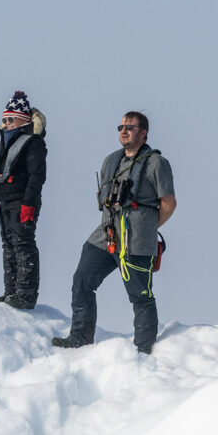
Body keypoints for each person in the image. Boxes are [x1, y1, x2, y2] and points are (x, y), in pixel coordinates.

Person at [52, 111, 176, 354]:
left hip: (137, 239)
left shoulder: (156, 164)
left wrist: (148, 229)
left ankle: (143, 349)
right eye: (121, 126)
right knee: (83, 280)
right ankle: (80, 338)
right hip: (107, 234)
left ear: (143, 133)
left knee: (140, 294)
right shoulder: (111, 160)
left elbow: (169, 204)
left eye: (130, 127)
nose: (123, 130)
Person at [0, 91, 46, 309]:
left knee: (23, 244)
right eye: (4, 120)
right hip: (3, 202)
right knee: (8, 245)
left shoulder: (33, 144)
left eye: (10, 119)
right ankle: (11, 292)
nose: (5, 124)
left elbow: (37, 177)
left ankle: (25, 294)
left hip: (23, 201)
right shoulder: (2, 148)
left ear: (23, 121)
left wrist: (29, 206)